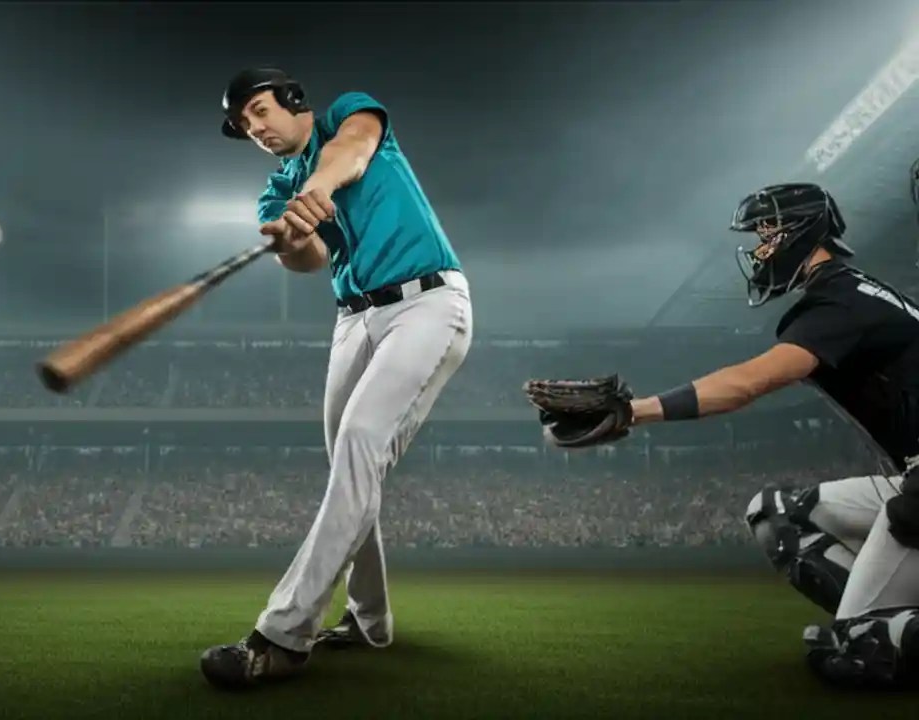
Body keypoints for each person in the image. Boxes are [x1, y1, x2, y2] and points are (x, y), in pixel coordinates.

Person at [533, 182, 919, 689]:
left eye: (766, 232)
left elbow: (747, 382)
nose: (760, 247)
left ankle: (872, 633)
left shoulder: (839, 302)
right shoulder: (855, 291)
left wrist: (632, 412)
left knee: (854, 655)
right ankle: (878, 623)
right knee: (780, 515)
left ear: (802, 230)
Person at [198, 68, 473, 689]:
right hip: (354, 320)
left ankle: (282, 635)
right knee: (349, 464)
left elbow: (354, 149)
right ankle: (369, 621)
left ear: (292, 100)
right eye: (244, 125)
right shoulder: (275, 192)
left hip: (426, 302)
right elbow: (311, 258)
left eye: (261, 111)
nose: (256, 128)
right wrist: (287, 235)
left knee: (358, 446)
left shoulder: (346, 112)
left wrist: (318, 188)